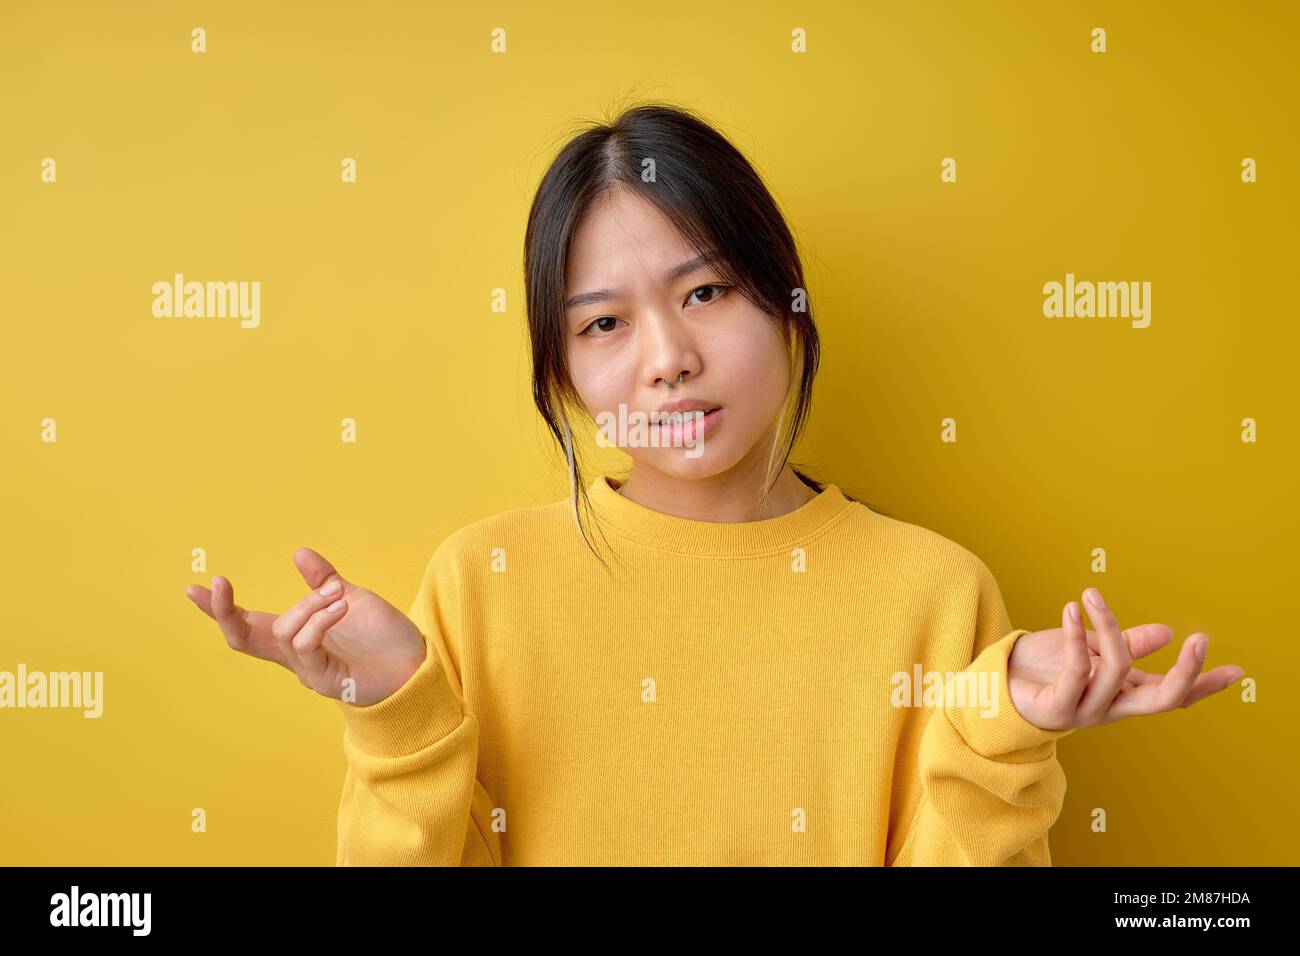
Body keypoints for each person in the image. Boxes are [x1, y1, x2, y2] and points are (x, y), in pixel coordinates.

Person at [184, 103, 1243, 866]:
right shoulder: (480, 581)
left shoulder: (936, 592)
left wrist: (1001, 736)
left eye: (705, 292)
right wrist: (399, 714)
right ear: (561, 371)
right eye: (605, 322)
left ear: (787, 304)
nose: (668, 359)